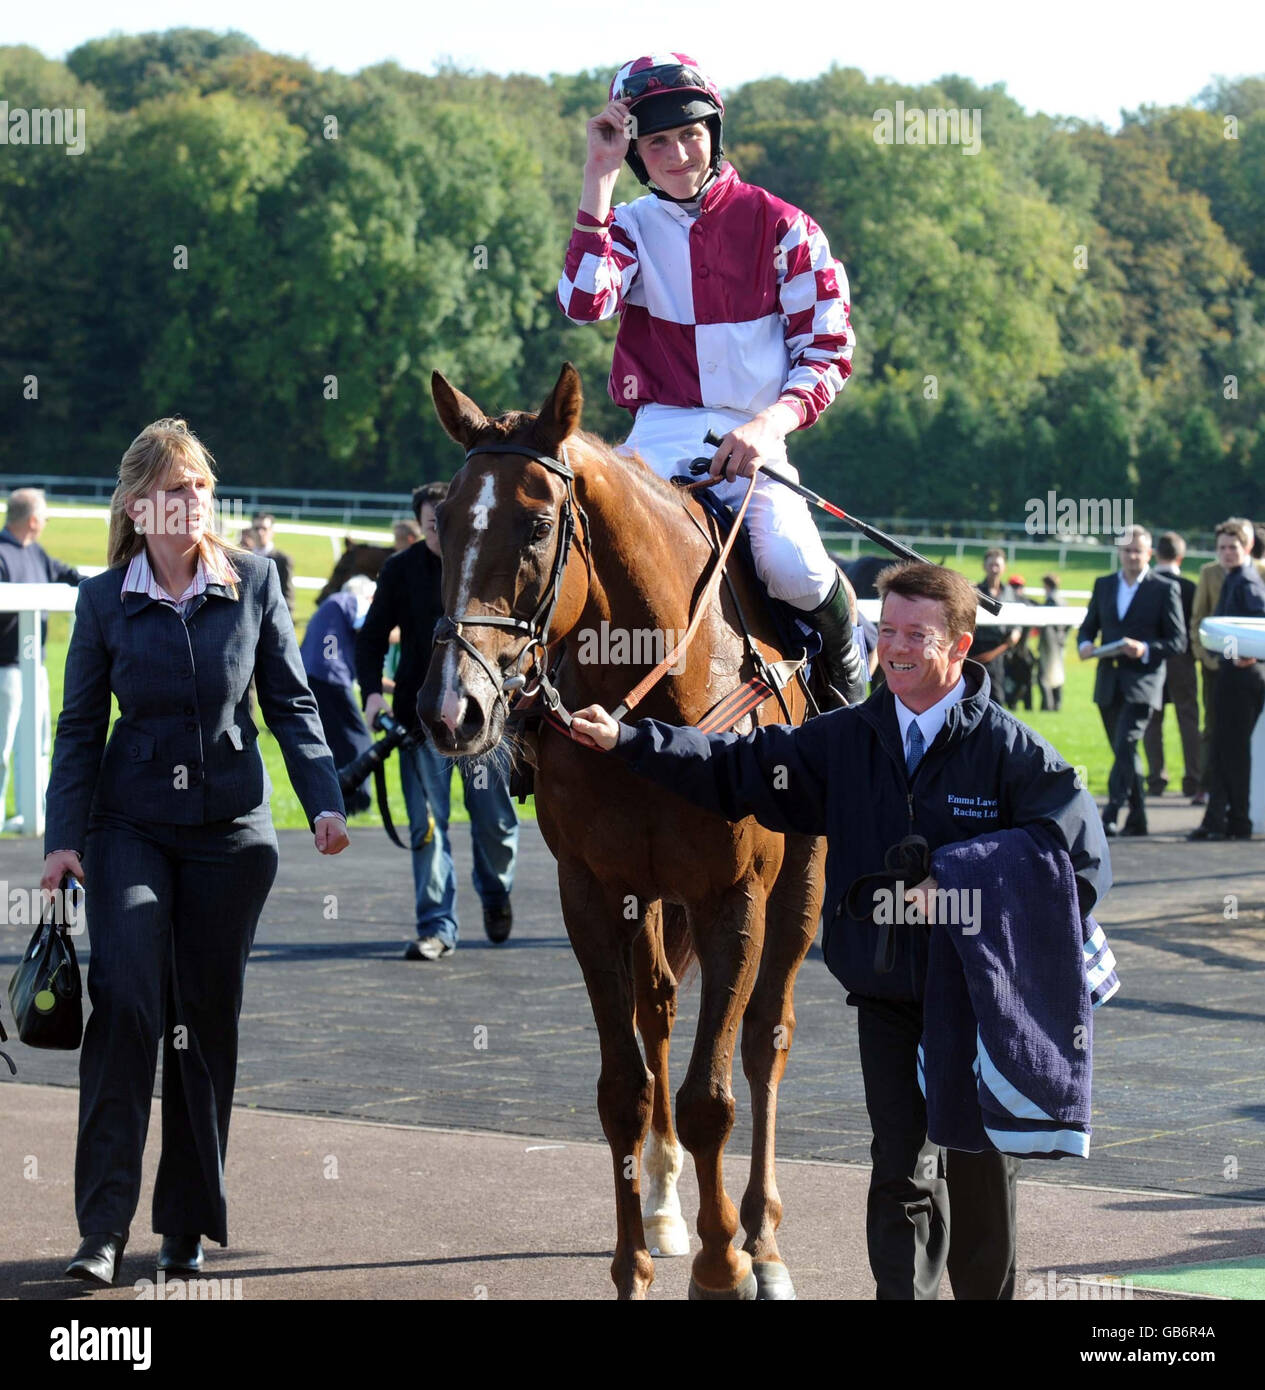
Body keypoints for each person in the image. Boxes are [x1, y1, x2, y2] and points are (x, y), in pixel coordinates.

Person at [569, 562, 1111, 1300]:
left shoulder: (1013, 753)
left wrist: (961, 878)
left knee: (978, 1170)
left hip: (978, 1000)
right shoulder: (843, 740)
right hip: (886, 996)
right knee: (899, 1168)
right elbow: (738, 767)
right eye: (884, 631)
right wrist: (631, 741)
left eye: (914, 635)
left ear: (960, 645)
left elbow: (1078, 861)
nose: (893, 649)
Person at [42, 418, 349, 1286]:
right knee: (131, 1002)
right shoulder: (103, 599)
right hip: (129, 827)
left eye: (201, 488)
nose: (192, 503)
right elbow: (77, 730)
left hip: (231, 837)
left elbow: (290, 702)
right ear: (138, 508)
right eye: (175, 490)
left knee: (202, 1026)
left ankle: (185, 1226)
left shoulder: (253, 582)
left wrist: (323, 801)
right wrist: (64, 840)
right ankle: (101, 1231)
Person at [557, 53, 866, 707]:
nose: (676, 153)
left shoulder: (785, 226)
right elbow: (584, 303)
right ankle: (538, 717)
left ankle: (848, 682)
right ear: (636, 151)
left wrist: (767, 424)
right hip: (655, 437)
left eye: (689, 134)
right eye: (656, 141)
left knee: (794, 568)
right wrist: (597, 176)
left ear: (715, 132)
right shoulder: (628, 227)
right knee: (581, 558)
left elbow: (828, 353)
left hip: (754, 436)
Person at [356, 481, 519, 959]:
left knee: (494, 823)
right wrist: (370, 695)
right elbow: (370, 639)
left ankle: (495, 891)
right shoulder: (400, 571)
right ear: (423, 525)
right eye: (431, 525)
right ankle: (436, 926)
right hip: (419, 721)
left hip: (481, 725)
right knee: (427, 827)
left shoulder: (480, 568)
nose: (439, 531)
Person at [1077, 526, 1186, 838]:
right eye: (1127, 551)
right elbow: (1088, 627)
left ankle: (1110, 812)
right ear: (1119, 553)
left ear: (1149, 553)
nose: (1132, 556)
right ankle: (1138, 816)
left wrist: (1145, 649)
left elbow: (1177, 641)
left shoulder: (1164, 588)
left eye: (1138, 551)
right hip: (1108, 679)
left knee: (1126, 743)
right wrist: (1085, 644)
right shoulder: (1105, 585)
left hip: (1143, 681)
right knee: (1125, 751)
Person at [0, 488, 82, 832]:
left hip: (36, 667)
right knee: (2, 749)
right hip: (5, 668)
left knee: (40, 747)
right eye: (44, 515)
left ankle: (34, 815)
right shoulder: (2, 554)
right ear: (33, 519)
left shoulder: (37, 553)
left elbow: (69, 574)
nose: (47, 520)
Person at [1188, 518, 1265, 841]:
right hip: (1231, 674)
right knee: (1223, 750)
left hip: (1242, 676)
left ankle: (1237, 821)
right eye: (1221, 548)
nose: (1226, 553)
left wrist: (1256, 654)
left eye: (1232, 547)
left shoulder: (1246, 582)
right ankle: (1222, 820)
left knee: (1232, 752)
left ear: (1247, 547)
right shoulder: (1235, 578)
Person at [300, 574, 377, 815]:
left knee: (333, 742)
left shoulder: (330, 609)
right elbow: (370, 626)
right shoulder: (352, 601)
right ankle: (358, 799)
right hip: (332, 676)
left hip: (311, 677)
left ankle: (336, 799)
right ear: (367, 595)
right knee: (360, 739)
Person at [1143, 532, 1200, 797]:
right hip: (1182, 658)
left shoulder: (1148, 584)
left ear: (1155, 554)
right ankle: (1193, 778)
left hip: (1151, 656)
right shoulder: (1190, 587)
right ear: (1181, 556)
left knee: (1152, 720)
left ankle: (1156, 778)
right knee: (1187, 719)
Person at [967, 550, 1018, 707]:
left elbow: (1018, 615)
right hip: (979, 649)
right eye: (991, 565)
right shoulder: (974, 591)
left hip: (1002, 651)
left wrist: (1017, 631)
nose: (994, 569)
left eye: (997, 565)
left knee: (998, 695)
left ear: (1004, 568)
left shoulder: (1009, 592)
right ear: (984, 566)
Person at [252, 512, 296, 618]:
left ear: (272, 532)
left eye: (264, 528)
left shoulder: (282, 559)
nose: (260, 532)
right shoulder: (243, 557)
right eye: (256, 528)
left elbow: (287, 593)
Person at [1002, 575, 1035, 711]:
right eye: (1015, 587)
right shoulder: (1008, 603)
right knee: (1011, 682)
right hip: (1008, 651)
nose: (1017, 589)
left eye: (1019, 586)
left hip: (1021, 651)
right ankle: (1013, 704)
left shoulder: (1026, 604)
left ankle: (1027, 706)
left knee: (1026, 682)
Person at [1036, 574, 1069, 712]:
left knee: (1044, 675)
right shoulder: (1063, 601)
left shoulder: (1051, 600)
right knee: (1057, 673)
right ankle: (1057, 703)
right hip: (1060, 641)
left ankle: (1047, 705)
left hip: (1050, 644)